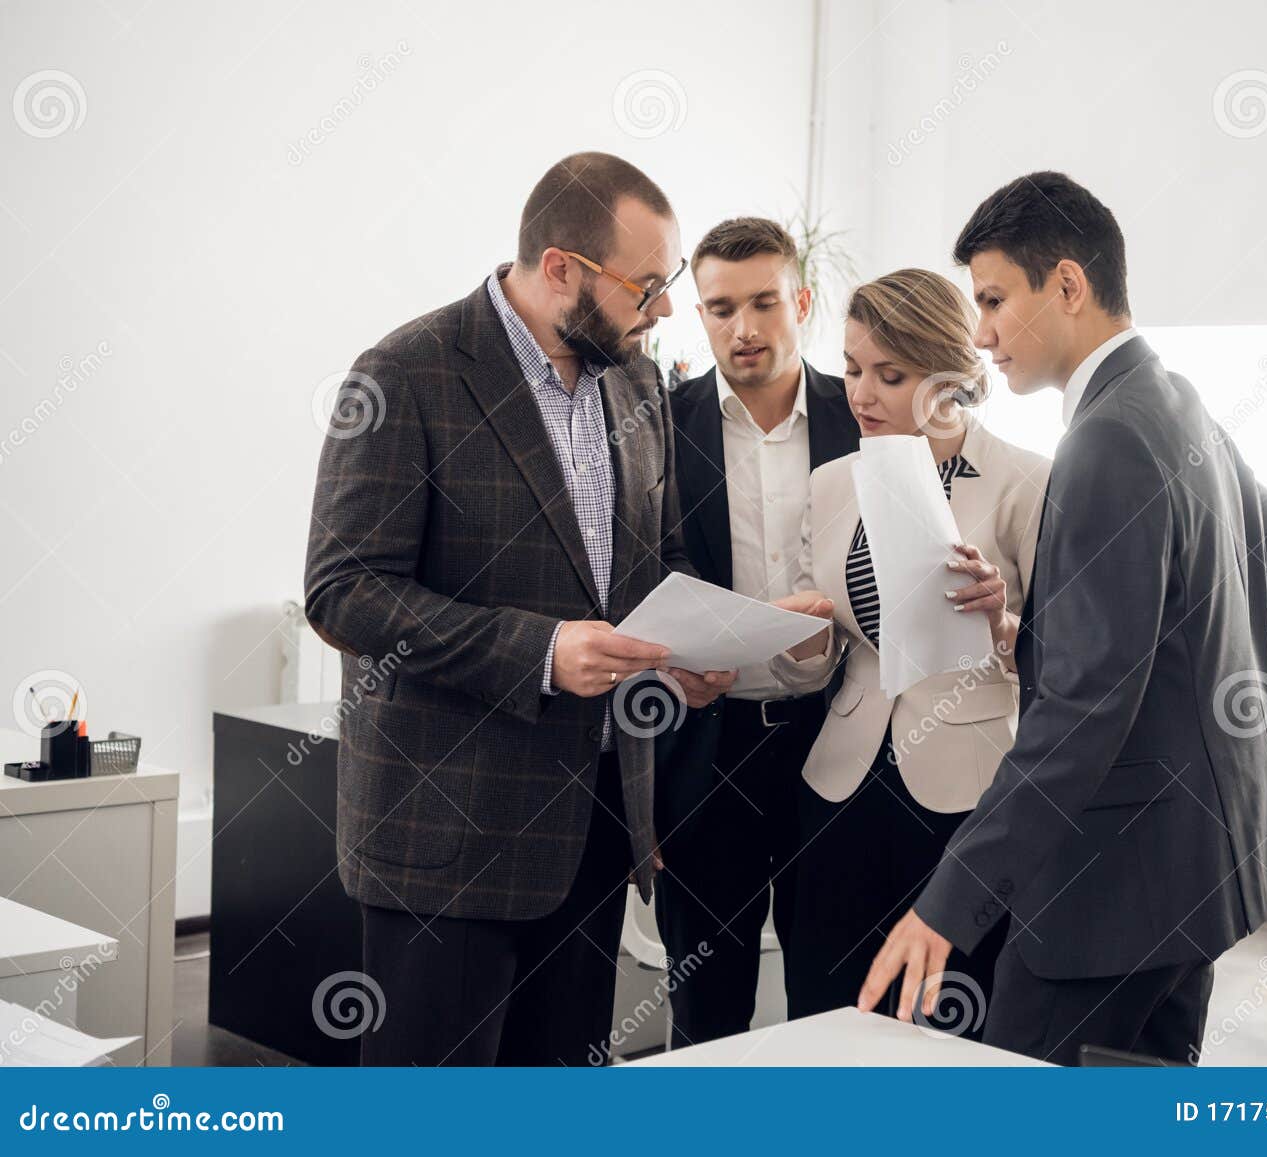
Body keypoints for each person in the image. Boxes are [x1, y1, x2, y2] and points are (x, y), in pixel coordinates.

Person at [859, 171, 1267, 1065]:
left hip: (1114, 882)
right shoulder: (1175, 397)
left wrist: (948, 901)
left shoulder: (1104, 437)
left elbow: (1083, 706)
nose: (981, 332)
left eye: (993, 299)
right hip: (1199, 863)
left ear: (1068, 285)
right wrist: (1200, 720)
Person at [303, 151, 733, 1067]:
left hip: (596, 833)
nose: (664, 309)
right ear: (560, 270)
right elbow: (344, 590)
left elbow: (655, 558)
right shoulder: (404, 374)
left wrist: (689, 645)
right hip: (445, 843)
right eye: (647, 286)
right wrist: (538, 653)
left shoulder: (636, 381)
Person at [771, 269, 1049, 1032]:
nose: (861, 393)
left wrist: (1003, 623)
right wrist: (799, 641)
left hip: (966, 799)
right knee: (826, 1008)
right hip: (839, 785)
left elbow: (1065, 665)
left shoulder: (1026, 482)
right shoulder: (832, 483)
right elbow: (822, 655)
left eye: (889, 375)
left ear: (950, 379)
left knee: (949, 1021)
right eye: (855, 368)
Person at [652, 217, 859, 1046]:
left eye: (765, 303)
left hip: (835, 745)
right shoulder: (659, 428)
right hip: (707, 754)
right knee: (707, 1009)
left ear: (801, 301)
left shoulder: (866, 416)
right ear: (698, 314)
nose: (744, 328)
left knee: (835, 995)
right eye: (720, 307)